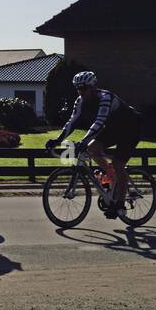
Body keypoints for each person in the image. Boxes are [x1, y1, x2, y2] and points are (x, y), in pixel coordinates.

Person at [45, 70, 142, 219]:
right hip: (114, 128)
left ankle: (120, 204)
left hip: (131, 128)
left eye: (83, 88)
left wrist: (83, 141)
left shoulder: (105, 98)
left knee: (118, 164)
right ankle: (111, 175)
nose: (81, 92)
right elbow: (72, 122)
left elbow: (99, 122)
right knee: (92, 149)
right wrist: (57, 140)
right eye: (78, 88)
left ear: (92, 87)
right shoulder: (80, 101)